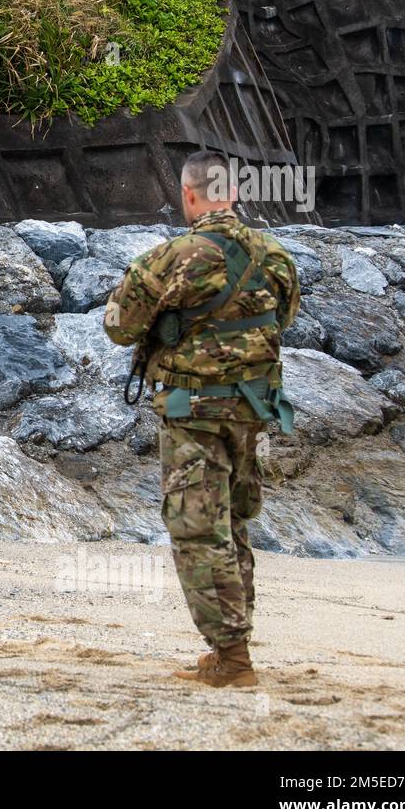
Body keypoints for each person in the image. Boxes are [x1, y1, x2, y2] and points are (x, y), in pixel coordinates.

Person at [102, 149, 300, 688]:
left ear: (189, 195)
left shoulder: (172, 256)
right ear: (232, 193)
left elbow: (118, 325)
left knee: (196, 527)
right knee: (232, 522)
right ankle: (233, 644)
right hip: (253, 409)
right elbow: (282, 318)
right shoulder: (275, 255)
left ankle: (233, 659)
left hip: (194, 411)